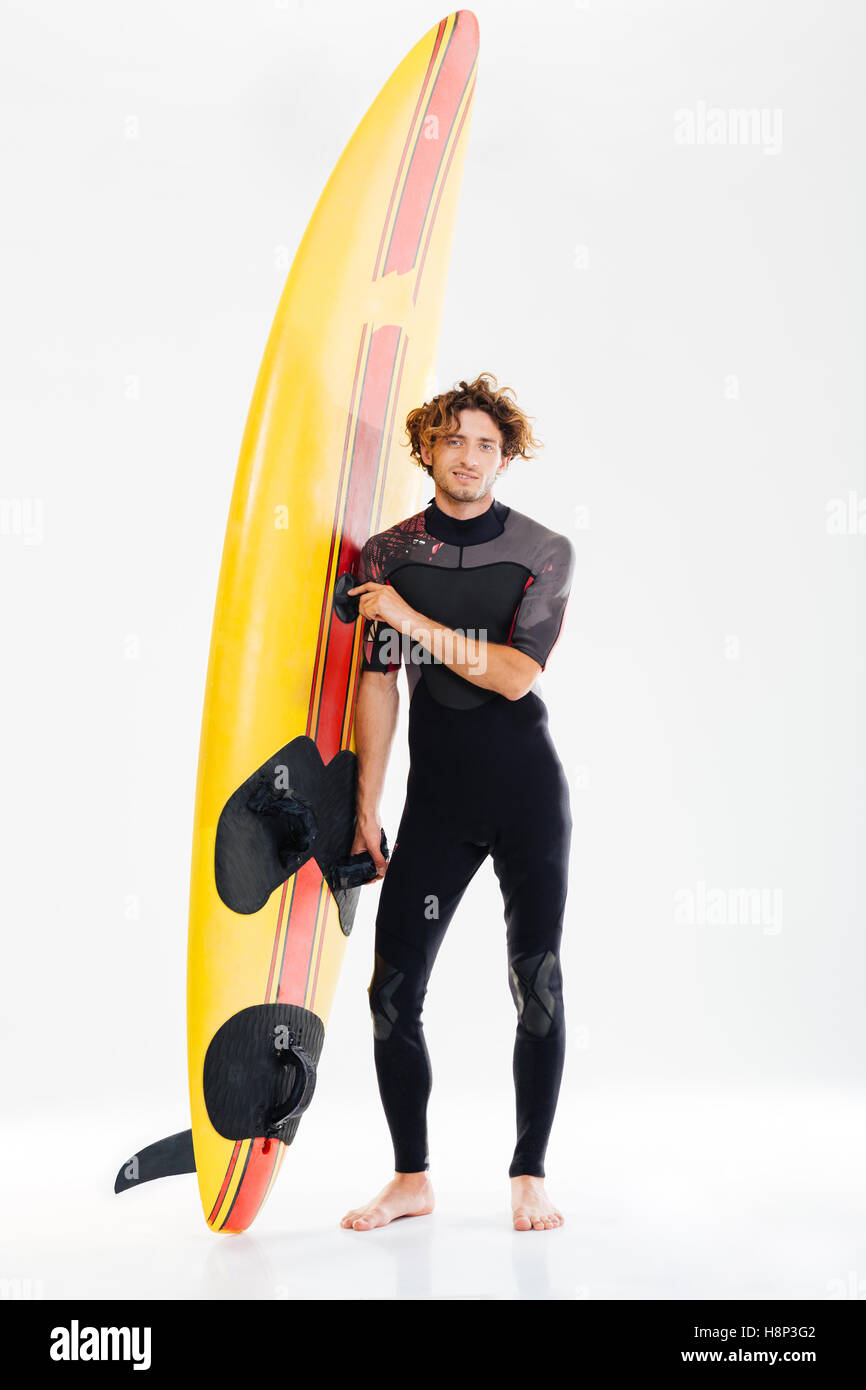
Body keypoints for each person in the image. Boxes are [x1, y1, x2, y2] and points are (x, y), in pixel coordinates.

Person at [340, 373, 575, 1233]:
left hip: (525, 796)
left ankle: (528, 1175)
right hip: (436, 804)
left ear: (504, 458)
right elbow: (378, 683)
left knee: (535, 983)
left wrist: (407, 614)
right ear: (428, 449)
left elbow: (514, 676)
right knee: (392, 994)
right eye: (454, 440)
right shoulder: (388, 553)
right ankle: (411, 1179)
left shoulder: (544, 551)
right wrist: (368, 801)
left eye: (486, 444)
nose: (469, 457)